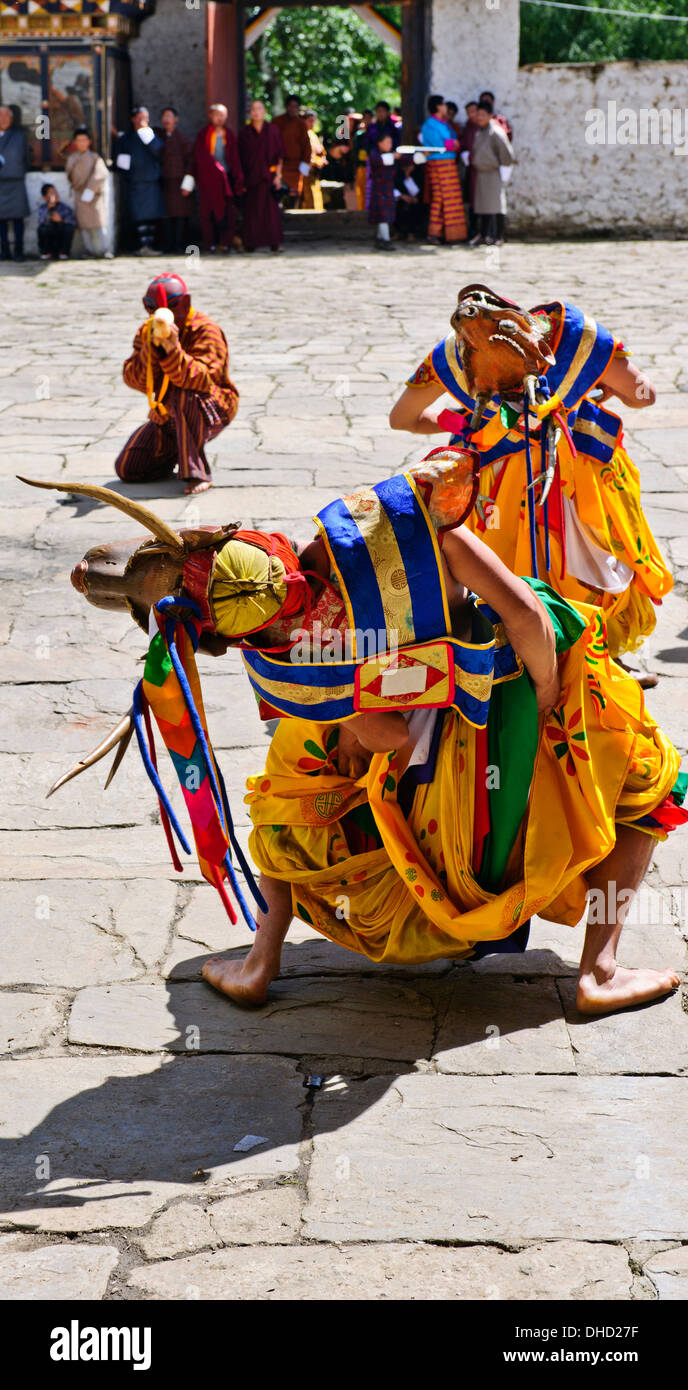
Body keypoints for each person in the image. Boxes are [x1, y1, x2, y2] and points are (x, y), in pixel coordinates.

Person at [39, 451, 686, 1018]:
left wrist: (368, 729)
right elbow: (524, 616)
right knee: (646, 780)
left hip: (432, 721)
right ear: (274, 549)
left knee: (285, 798)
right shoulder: (404, 532)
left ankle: (261, 962)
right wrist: (548, 704)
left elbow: (385, 736)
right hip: (520, 679)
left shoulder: (285, 651)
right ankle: (599, 972)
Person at [390, 283, 672, 673]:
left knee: (497, 567)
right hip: (572, 481)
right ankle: (591, 660)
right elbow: (644, 395)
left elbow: (401, 419)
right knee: (583, 562)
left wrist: (461, 419)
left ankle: (509, 655)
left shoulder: (453, 354)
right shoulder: (580, 337)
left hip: (491, 483)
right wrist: (603, 386)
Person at [114, 272, 239, 495]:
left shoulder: (205, 329)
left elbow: (202, 380)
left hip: (212, 404)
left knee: (184, 393)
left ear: (186, 302)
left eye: (172, 305)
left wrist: (173, 350)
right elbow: (132, 377)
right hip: (167, 410)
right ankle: (177, 450)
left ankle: (196, 471)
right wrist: (149, 351)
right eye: (151, 307)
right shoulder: (146, 330)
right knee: (129, 468)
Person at [193, 103, 244, 253]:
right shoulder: (204, 134)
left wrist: (238, 178)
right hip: (209, 181)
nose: (220, 118)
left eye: (222, 115)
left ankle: (226, 243)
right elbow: (200, 158)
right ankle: (210, 244)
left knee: (228, 213)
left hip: (226, 181)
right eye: (217, 114)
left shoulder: (229, 134)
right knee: (207, 214)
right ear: (210, 116)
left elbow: (235, 159)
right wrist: (214, 169)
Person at [114, 107, 165, 255]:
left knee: (152, 214)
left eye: (146, 118)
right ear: (133, 119)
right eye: (140, 118)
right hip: (135, 182)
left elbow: (159, 151)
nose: (143, 121)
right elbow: (122, 162)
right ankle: (142, 245)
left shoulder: (151, 136)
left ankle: (151, 245)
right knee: (139, 214)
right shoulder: (126, 139)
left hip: (151, 181)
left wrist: (147, 135)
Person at [238, 100, 285, 253]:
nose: (256, 112)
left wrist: (278, 176)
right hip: (251, 178)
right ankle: (250, 243)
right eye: (253, 109)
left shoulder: (273, 130)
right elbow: (240, 158)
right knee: (251, 212)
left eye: (259, 109)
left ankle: (274, 243)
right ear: (250, 113)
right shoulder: (245, 133)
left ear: (265, 112)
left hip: (269, 177)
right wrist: (241, 180)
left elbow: (279, 155)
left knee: (271, 213)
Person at [420, 94, 466, 246]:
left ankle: (450, 234)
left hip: (449, 164)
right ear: (439, 106)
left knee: (451, 198)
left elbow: (453, 141)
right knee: (439, 198)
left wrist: (452, 143)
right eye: (444, 104)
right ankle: (434, 233)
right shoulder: (429, 125)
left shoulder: (444, 124)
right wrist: (452, 144)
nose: (446, 107)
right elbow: (439, 145)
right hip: (438, 165)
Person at [469, 99, 513, 245]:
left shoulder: (496, 132)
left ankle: (499, 235)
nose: (479, 118)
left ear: (489, 115)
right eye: (478, 114)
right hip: (481, 173)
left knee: (497, 204)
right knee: (482, 205)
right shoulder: (479, 132)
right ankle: (484, 234)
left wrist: (504, 172)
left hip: (493, 172)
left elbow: (506, 154)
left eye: (482, 114)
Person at [65, 126, 109, 258]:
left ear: (89, 141)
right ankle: (89, 250)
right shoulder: (72, 158)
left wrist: (90, 189)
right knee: (84, 226)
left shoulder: (95, 157)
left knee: (99, 224)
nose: (82, 143)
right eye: (79, 140)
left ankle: (104, 249)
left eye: (84, 140)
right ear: (75, 142)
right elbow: (69, 174)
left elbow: (101, 174)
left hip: (94, 195)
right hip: (79, 195)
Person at [156, 106, 194, 255]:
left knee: (180, 214)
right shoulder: (159, 137)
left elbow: (190, 161)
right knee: (166, 214)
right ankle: (167, 244)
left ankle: (180, 244)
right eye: (164, 116)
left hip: (180, 182)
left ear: (176, 119)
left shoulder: (183, 139)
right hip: (165, 182)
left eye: (169, 116)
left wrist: (188, 184)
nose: (166, 119)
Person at [0, 105, 30, 262]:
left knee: (18, 219)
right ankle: (4, 251)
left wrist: (18, 171)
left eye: (6, 116)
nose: (3, 119)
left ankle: (19, 251)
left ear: (11, 119)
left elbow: (26, 158)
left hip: (16, 180)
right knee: (1, 220)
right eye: (0, 116)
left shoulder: (19, 136)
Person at [273, 95, 311, 206]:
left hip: (296, 167)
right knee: (278, 195)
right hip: (279, 166)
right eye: (291, 106)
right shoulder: (277, 122)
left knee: (293, 198)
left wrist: (304, 167)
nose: (293, 109)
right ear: (286, 107)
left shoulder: (301, 124)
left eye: (296, 107)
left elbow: (306, 147)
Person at [368, 133, 397, 250]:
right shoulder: (375, 154)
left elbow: (406, 159)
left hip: (388, 189)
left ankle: (380, 239)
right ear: (380, 143)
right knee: (382, 215)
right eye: (387, 142)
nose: (390, 145)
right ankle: (385, 240)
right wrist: (394, 156)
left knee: (383, 215)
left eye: (390, 142)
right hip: (379, 189)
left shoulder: (392, 154)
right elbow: (378, 161)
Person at [37, 183, 76, 260]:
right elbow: (41, 222)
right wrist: (49, 209)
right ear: (44, 197)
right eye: (51, 193)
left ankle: (63, 253)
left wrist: (61, 220)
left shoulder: (64, 207)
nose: (55, 194)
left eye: (55, 192)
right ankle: (47, 253)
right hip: (50, 236)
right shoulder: (43, 208)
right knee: (42, 229)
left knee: (69, 228)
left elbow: (73, 222)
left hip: (60, 235)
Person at [394, 153, 426, 241]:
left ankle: (411, 233)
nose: (406, 168)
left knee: (415, 208)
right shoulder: (398, 173)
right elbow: (394, 187)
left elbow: (417, 191)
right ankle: (398, 232)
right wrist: (402, 196)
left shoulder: (418, 173)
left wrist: (408, 176)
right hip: (400, 199)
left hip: (414, 200)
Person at [300, 110, 326, 210]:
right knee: (307, 198)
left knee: (316, 197)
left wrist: (322, 159)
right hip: (305, 171)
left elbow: (321, 151)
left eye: (314, 121)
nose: (312, 123)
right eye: (310, 121)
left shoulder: (312, 134)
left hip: (314, 173)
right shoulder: (301, 134)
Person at [353, 109, 372, 209]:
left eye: (369, 118)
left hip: (373, 167)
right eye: (365, 118)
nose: (367, 120)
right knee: (361, 192)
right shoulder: (359, 135)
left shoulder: (375, 133)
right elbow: (355, 152)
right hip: (361, 167)